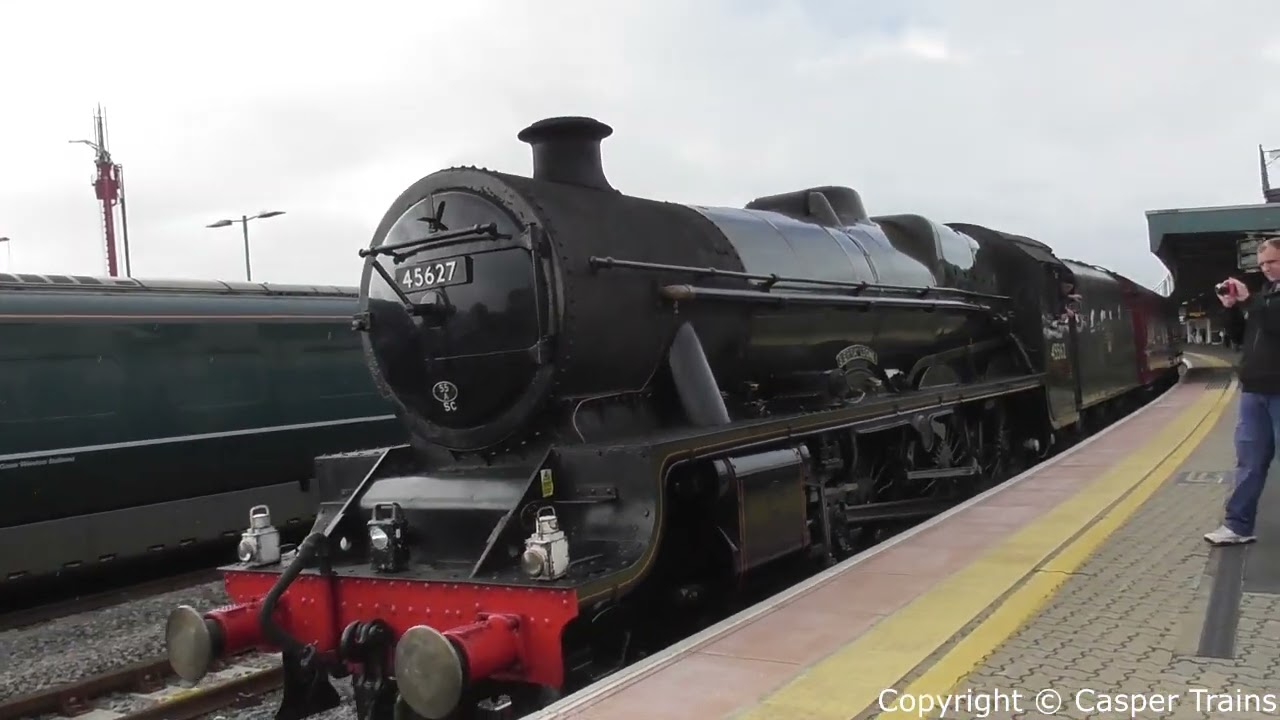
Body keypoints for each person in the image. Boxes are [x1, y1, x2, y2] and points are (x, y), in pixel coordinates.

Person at [1205, 237, 1280, 545]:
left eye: (1272, 262)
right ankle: (1237, 525)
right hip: (1254, 391)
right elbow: (1240, 336)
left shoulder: (1264, 302)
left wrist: (1250, 302)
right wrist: (1232, 309)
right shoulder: (1266, 295)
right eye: (1262, 264)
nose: (1266, 269)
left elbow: (1275, 323)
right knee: (1249, 460)